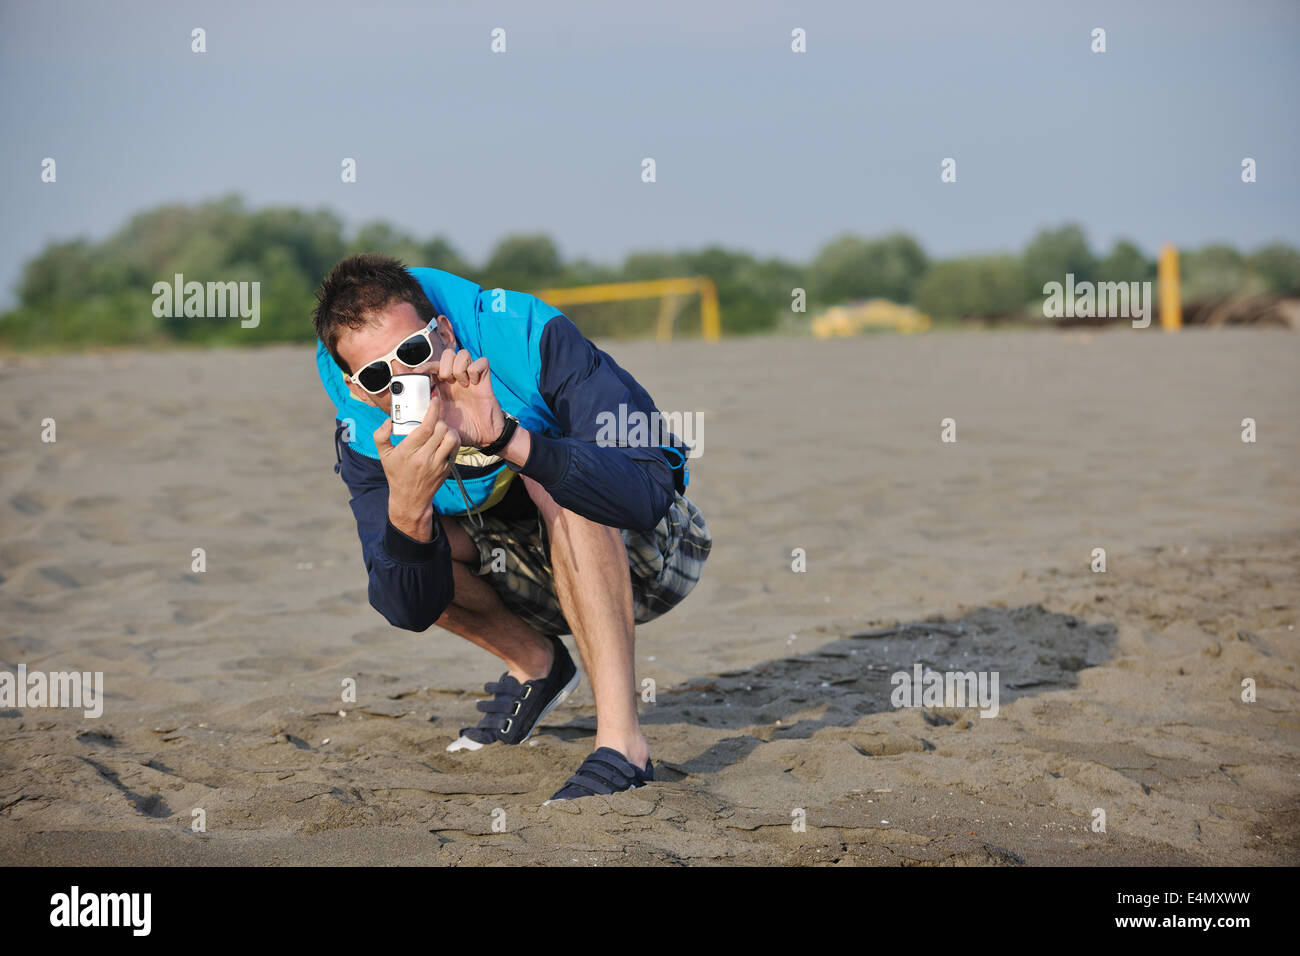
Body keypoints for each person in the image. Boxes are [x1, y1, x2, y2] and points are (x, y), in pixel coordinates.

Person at [312, 254, 712, 801]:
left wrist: (507, 438)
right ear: (355, 387)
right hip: (527, 573)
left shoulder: (525, 335)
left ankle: (622, 745)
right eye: (379, 375)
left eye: (414, 352)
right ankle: (536, 663)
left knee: (555, 479)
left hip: (655, 554)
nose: (407, 379)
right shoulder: (362, 431)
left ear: (445, 331)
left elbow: (646, 491)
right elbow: (407, 609)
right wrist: (408, 507)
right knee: (404, 540)